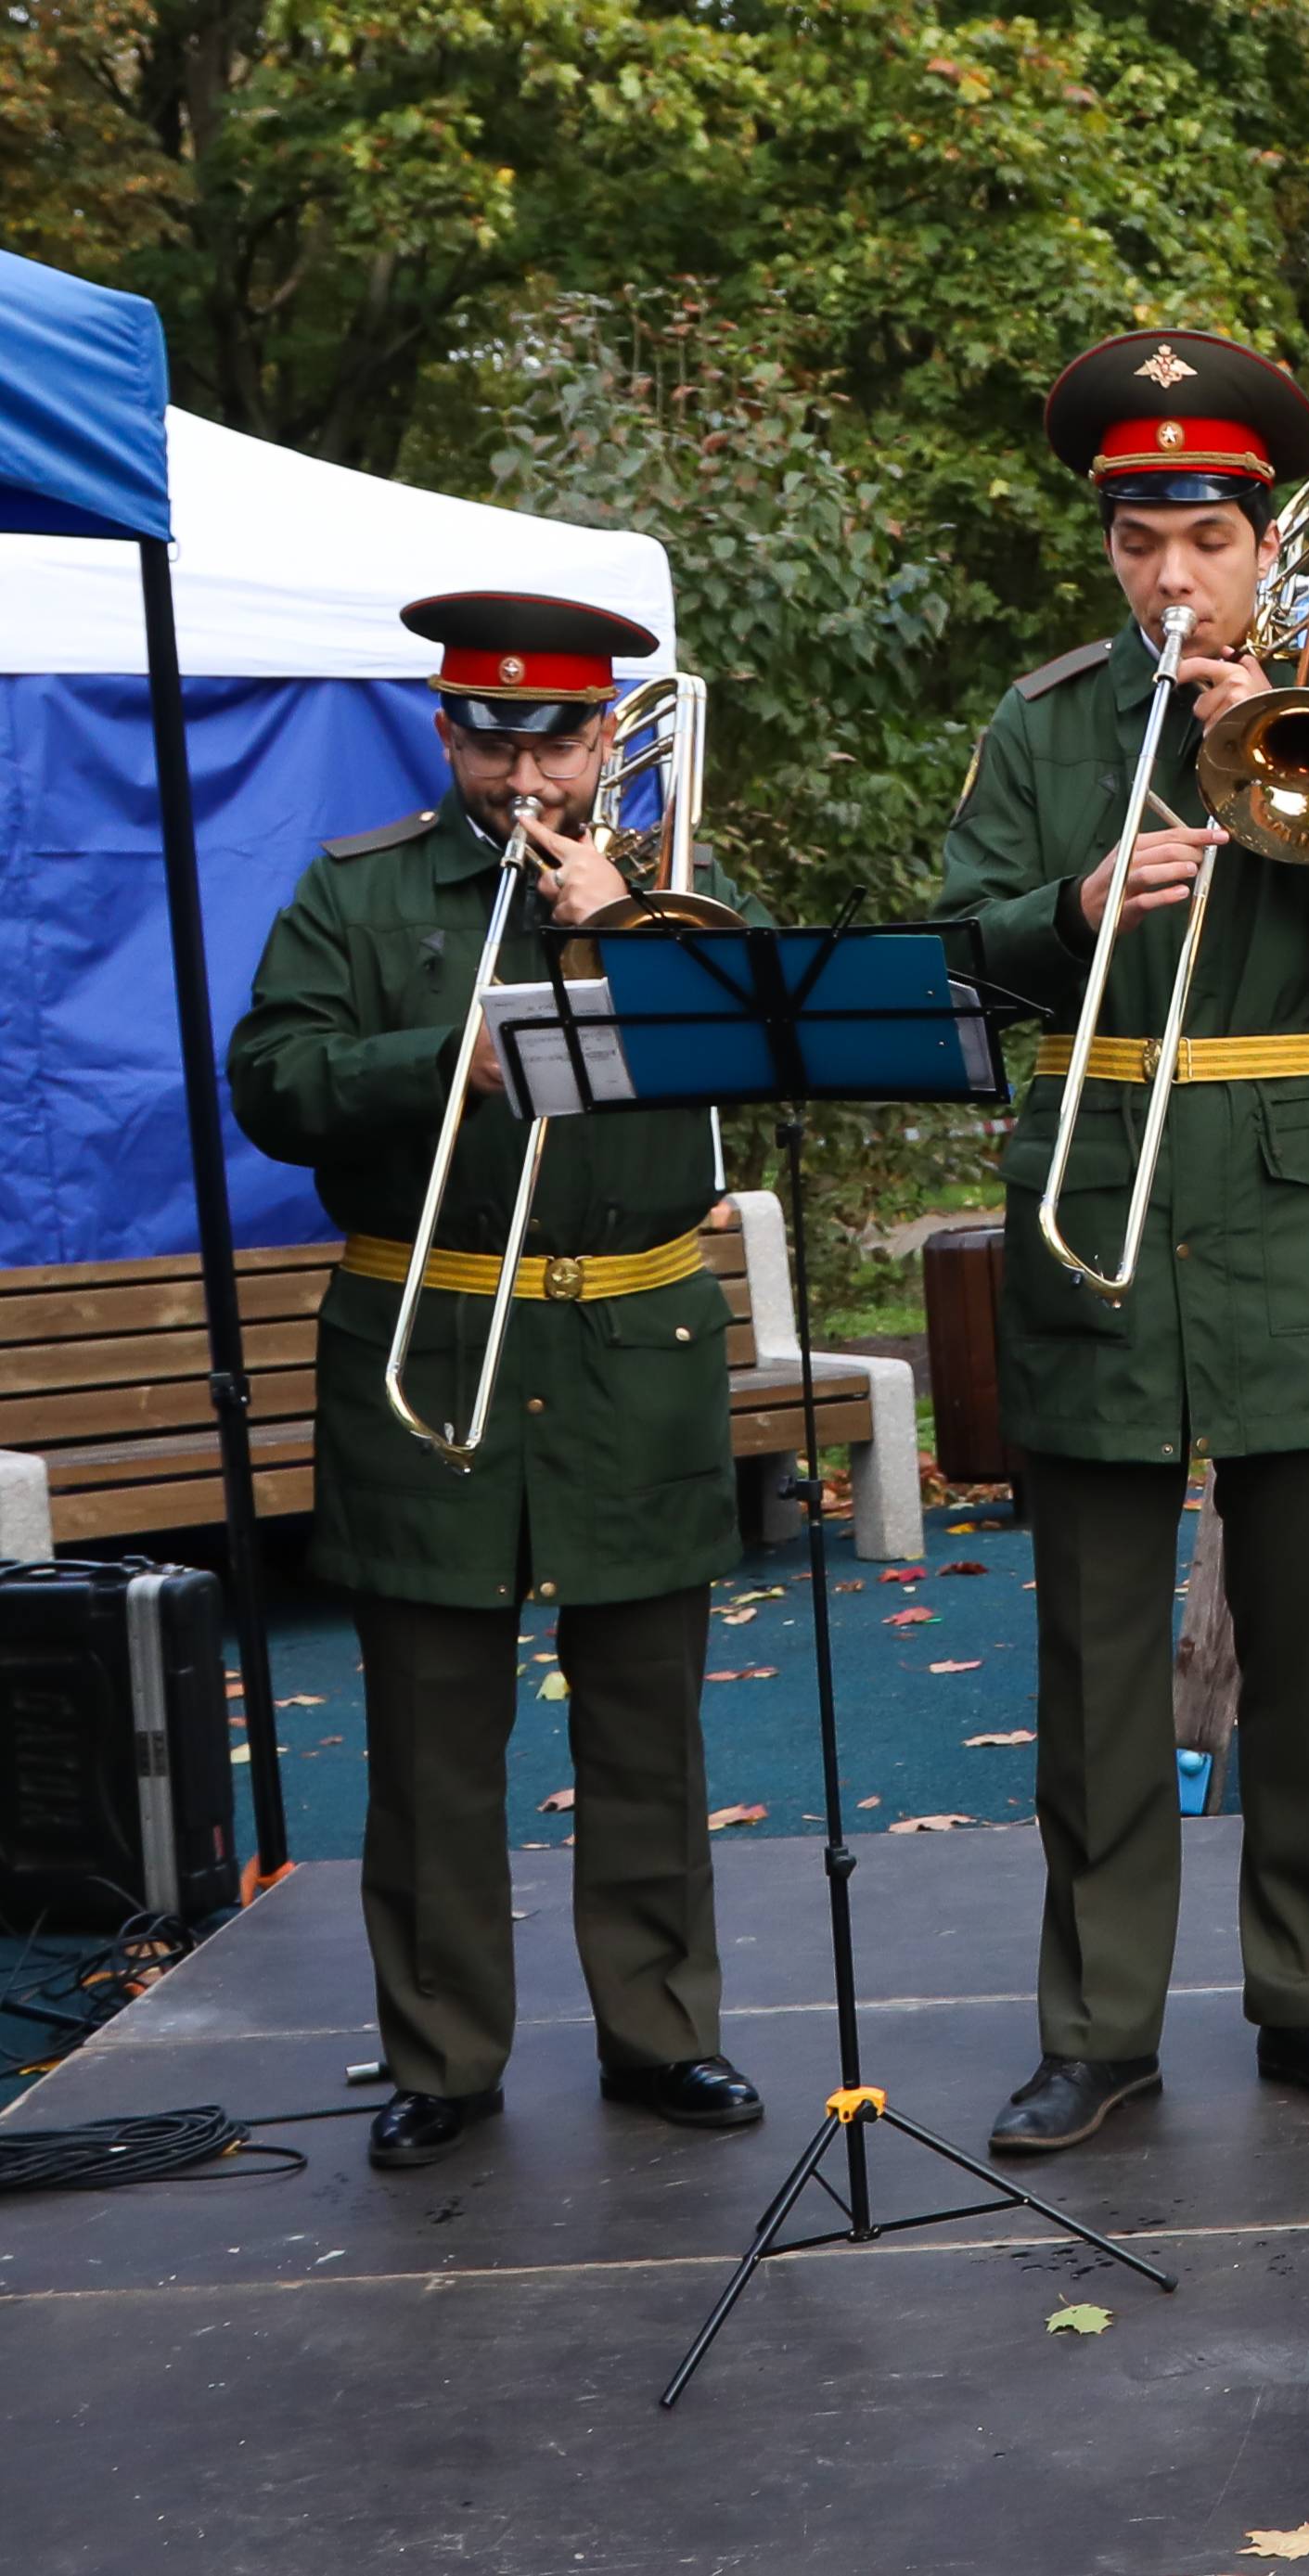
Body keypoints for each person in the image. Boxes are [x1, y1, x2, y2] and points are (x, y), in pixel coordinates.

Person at [936, 329, 1309, 2152]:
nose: (1175, 578)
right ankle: (1099, 2022)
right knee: (1092, 1651)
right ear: (1111, 548)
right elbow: (957, 951)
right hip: (1095, 1190)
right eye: (1144, 543)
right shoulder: (1045, 720)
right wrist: (1071, 901)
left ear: (1264, 553)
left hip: (1289, 1203)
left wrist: (1296, 789)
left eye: (1209, 542)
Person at [228, 592, 762, 2169]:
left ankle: (662, 2034)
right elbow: (272, 1081)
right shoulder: (360, 894)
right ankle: (444, 2055)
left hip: (631, 1353)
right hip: (434, 1335)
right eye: (489, 735)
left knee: (649, 1732)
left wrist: (614, 923)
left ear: (608, 743)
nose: (521, 767)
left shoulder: (681, 904)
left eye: (556, 738)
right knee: (431, 1739)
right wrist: (430, 1058)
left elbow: (747, 1068)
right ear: (448, 735)